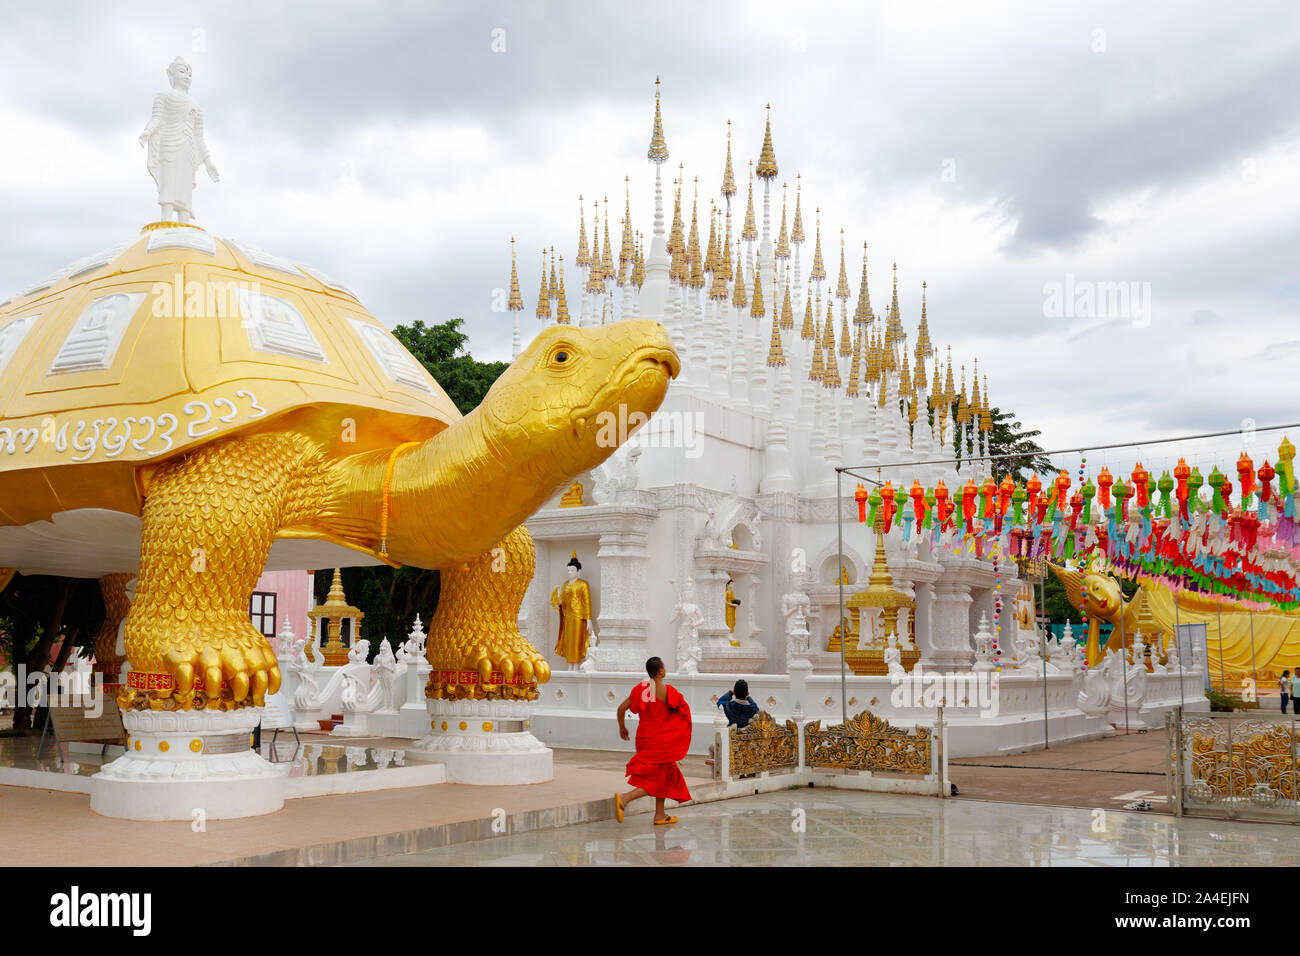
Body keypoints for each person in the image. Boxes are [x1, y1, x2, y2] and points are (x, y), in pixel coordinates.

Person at [616, 657, 692, 825]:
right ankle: (625, 799)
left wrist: (622, 727)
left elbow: (621, 708)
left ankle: (660, 814)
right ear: (661, 672)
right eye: (664, 667)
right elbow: (683, 712)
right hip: (660, 739)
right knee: (657, 778)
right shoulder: (668, 691)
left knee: (665, 774)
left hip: (643, 735)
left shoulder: (642, 688)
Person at [705, 679, 760, 769]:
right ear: (747, 693)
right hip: (747, 744)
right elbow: (755, 707)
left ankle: (715, 775)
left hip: (729, 743)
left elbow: (719, 702)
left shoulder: (727, 706)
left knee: (712, 747)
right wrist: (749, 698)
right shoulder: (752, 710)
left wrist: (730, 693)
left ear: (735, 692)